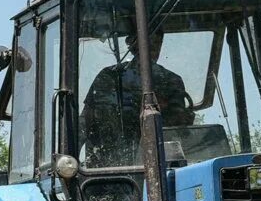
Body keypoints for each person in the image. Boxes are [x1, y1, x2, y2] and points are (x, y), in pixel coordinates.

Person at [79, 29, 195, 167]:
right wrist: (68, 163)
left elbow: (177, 130)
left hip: (159, 166)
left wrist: (172, 114)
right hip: (107, 171)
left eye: (157, 42)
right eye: (147, 42)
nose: (153, 48)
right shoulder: (108, 78)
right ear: (133, 45)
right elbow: (85, 122)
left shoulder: (171, 81)